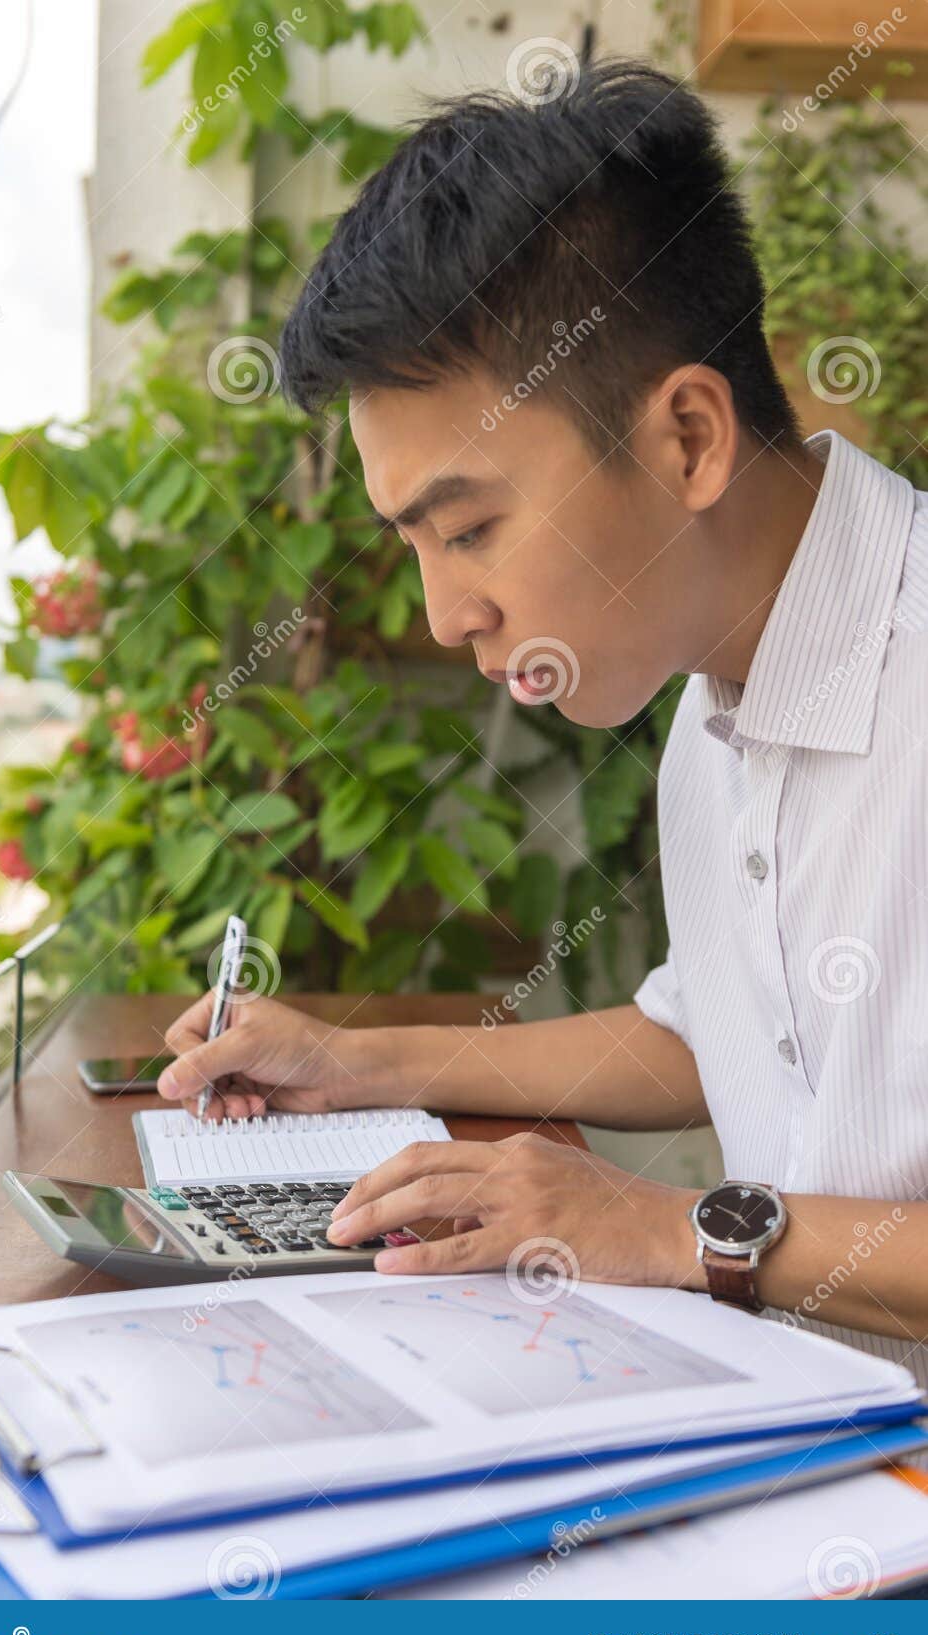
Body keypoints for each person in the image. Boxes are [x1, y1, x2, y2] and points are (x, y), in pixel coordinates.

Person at [158, 60, 928, 1383]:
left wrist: (676, 1229)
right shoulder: (715, 691)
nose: (448, 611)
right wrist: (352, 1062)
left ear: (689, 437)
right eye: (415, 543)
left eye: (467, 529)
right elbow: (715, 1034)